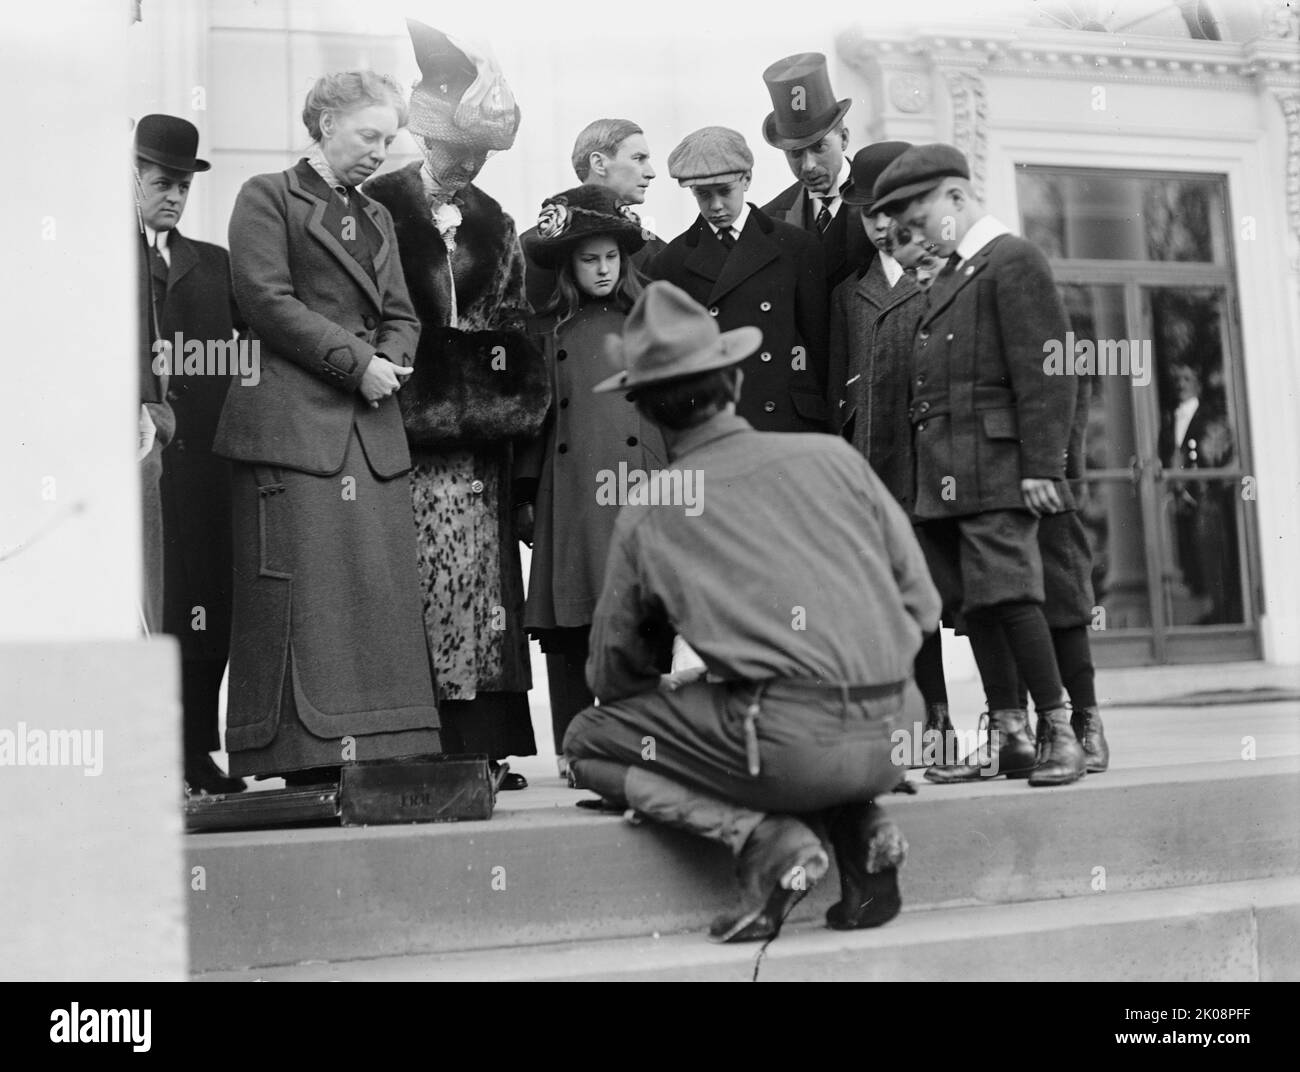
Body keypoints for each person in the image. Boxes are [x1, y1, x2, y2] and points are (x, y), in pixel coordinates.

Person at [564, 281, 941, 943]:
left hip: (785, 744)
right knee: (793, 720)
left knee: (585, 742)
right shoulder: (834, 456)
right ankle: (859, 826)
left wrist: (703, 685)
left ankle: (766, 841)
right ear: (734, 380)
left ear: (644, 407)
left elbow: (612, 677)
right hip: (898, 732)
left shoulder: (654, 507)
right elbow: (923, 605)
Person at [213, 70, 439, 783]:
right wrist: (358, 363)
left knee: (373, 597)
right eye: (369, 135)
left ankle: (377, 752)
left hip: (367, 431)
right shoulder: (266, 198)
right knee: (307, 601)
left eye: (390, 138)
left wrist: (391, 364)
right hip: (294, 430)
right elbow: (264, 301)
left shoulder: (375, 217)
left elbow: (404, 313)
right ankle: (303, 757)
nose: (380, 150)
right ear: (324, 124)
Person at [365, 20, 549, 789]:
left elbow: (509, 325)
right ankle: (408, 737)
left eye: (477, 157)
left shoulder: (494, 221)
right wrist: (439, 374)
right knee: (403, 579)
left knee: (478, 585)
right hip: (394, 435)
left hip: (476, 451)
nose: (466, 167)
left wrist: (488, 391)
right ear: (425, 139)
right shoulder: (377, 207)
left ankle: (480, 740)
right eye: (454, 152)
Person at [873, 143, 1087, 787]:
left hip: (998, 469)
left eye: (919, 210)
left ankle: (1060, 732)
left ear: (958, 198)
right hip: (949, 476)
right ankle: (1011, 735)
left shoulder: (1012, 260)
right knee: (977, 608)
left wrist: (1045, 466)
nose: (910, 229)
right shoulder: (960, 271)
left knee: (1014, 597)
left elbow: (1048, 368)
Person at [517, 186, 667, 772]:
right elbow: (534, 418)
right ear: (568, 265)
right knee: (571, 618)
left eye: (611, 257)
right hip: (573, 486)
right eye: (588, 259)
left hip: (642, 482)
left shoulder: (651, 313)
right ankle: (576, 746)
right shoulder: (548, 329)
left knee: (638, 614)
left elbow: (679, 403)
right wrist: (525, 495)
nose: (603, 269)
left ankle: (641, 738)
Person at [828, 141, 955, 768]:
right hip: (868, 478)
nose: (879, 226)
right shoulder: (848, 296)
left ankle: (944, 721)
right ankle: (900, 728)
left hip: (931, 474)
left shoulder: (944, 284)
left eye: (888, 213)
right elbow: (836, 391)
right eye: (866, 214)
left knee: (935, 601)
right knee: (881, 606)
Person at [133, 113, 244, 794]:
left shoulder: (215, 266)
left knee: (208, 602)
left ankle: (197, 751)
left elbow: (247, 356)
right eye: (161, 182)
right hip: (135, 468)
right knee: (151, 607)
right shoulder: (105, 258)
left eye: (183, 185)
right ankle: (149, 757)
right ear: (134, 180)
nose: (174, 196)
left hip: (205, 465)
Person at [647, 126, 829, 434]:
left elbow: (820, 345)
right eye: (703, 195)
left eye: (725, 191)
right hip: (717, 423)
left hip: (789, 420)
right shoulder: (670, 262)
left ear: (746, 180)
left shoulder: (796, 246)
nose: (715, 206)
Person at [521, 119, 666, 311]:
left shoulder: (656, 250)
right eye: (638, 158)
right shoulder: (527, 251)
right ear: (598, 163)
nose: (651, 172)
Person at [759, 52, 871, 291]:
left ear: (844, 138)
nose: (808, 165)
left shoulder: (881, 199)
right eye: (795, 153)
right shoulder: (769, 220)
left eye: (819, 147)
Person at [1158, 361, 1241, 625]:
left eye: (1187, 378)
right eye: (1178, 380)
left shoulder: (1211, 416)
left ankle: (1221, 612)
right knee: (1191, 558)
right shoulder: (1170, 419)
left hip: (1207, 498)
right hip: (1183, 502)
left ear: (1198, 384)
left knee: (1213, 555)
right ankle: (1209, 609)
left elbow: (1218, 454)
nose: (1181, 384)